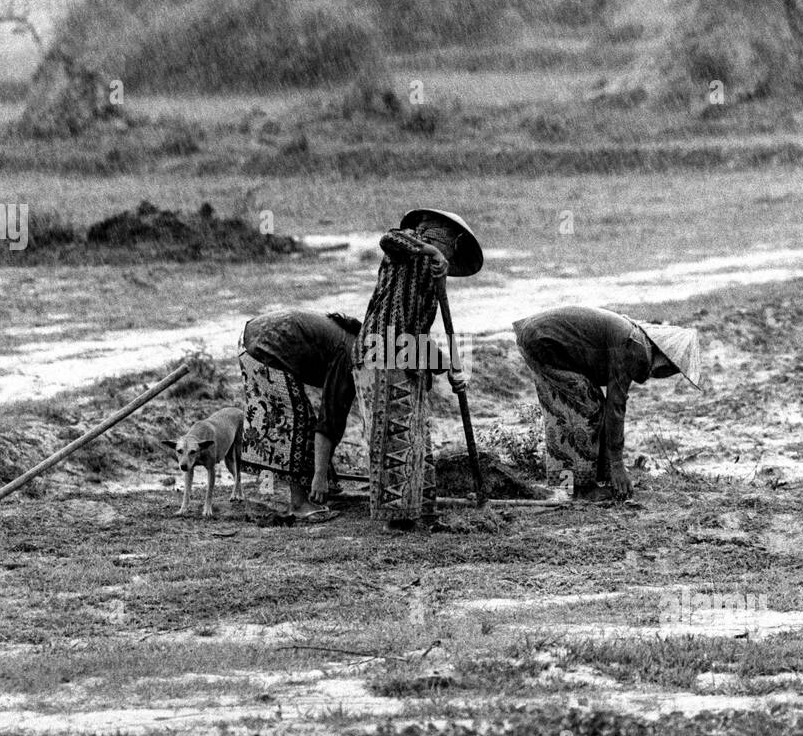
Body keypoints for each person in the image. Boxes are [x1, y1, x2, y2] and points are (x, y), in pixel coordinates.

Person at [352, 208, 483, 529]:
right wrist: (431, 249)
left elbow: (418, 333)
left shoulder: (432, 275)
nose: (450, 254)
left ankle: (423, 513)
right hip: (382, 353)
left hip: (406, 358)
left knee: (418, 439)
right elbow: (389, 237)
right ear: (440, 234)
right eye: (451, 245)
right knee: (394, 437)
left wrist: (451, 365)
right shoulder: (409, 247)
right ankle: (397, 520)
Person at [513, 305, 701, 499]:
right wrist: (618, 464)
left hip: (536, 336)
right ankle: (579, 490)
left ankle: (583, 482)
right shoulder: (634, 346)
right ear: (665, 358)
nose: (663, 375)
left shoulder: (635, 339)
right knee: (586, 409)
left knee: (574, 409)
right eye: (670, 369)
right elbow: (616, 406)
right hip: (543, 340)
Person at [238, 309, 361, 520]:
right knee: (296, 423)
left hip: (251, 337)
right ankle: (299, 503)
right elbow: (329, 420)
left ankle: (275, 493)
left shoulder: (351, 341)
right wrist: (320, 475)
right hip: (268, 346)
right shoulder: (351, 354)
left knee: (279, 421)